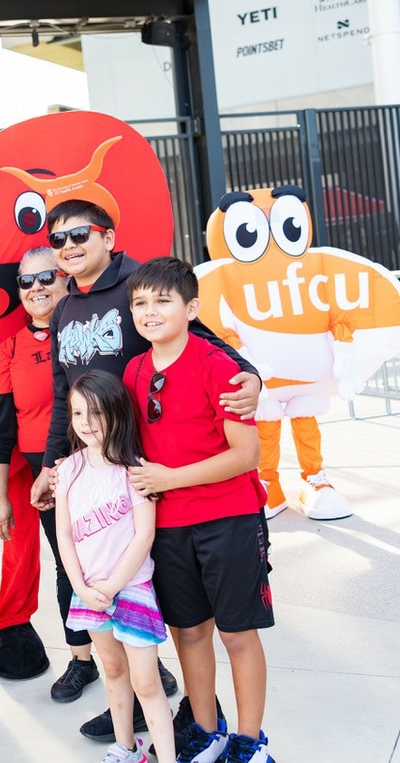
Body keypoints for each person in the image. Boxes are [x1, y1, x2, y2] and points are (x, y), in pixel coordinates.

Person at [31, 198, 262, 745]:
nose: (69, 247)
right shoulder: (64, 308)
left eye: (79, 235)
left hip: (150, 476)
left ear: (108, 236)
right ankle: (141, 703)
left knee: (147, 587)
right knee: (102, 579)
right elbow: (63, 395)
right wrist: (50, 465)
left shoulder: (142, 283)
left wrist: (251, 377)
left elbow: (203, 339)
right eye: (57, 239)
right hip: (93, 473)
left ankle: (179, 711)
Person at [124, 257, 275, 763]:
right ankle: (208, 731)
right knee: (188, 630)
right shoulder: (135, 371)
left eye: (162, 301)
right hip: (168, 528)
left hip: (228, 519)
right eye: (140, 303)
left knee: (236, 632)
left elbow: (245, 455)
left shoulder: (219, 366)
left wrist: (170, 479)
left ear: (191, 309)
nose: (149, 312)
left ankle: (249, 743)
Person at [0, 247, 102, 701]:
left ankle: (141, 655)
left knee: (125, 564)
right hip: (50, 478)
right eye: (25, 281)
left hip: (105, 465)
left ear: (65, 279)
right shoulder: (8, 351)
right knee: (69, 568)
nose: (36, 288)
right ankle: (82, 660)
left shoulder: (92, 332)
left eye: (46, 277)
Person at [54, 369, 173, 763]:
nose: (86, 424)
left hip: (131, 589)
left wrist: (112, 586)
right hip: (88, 591)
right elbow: (65, 536)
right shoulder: (68, 471)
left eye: (96, 413)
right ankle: (127, 747)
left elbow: (144, 536)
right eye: (77, 414)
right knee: (113, 670)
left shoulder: (134, 469)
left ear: (117, 413)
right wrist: (83, 588)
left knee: (146, 681)